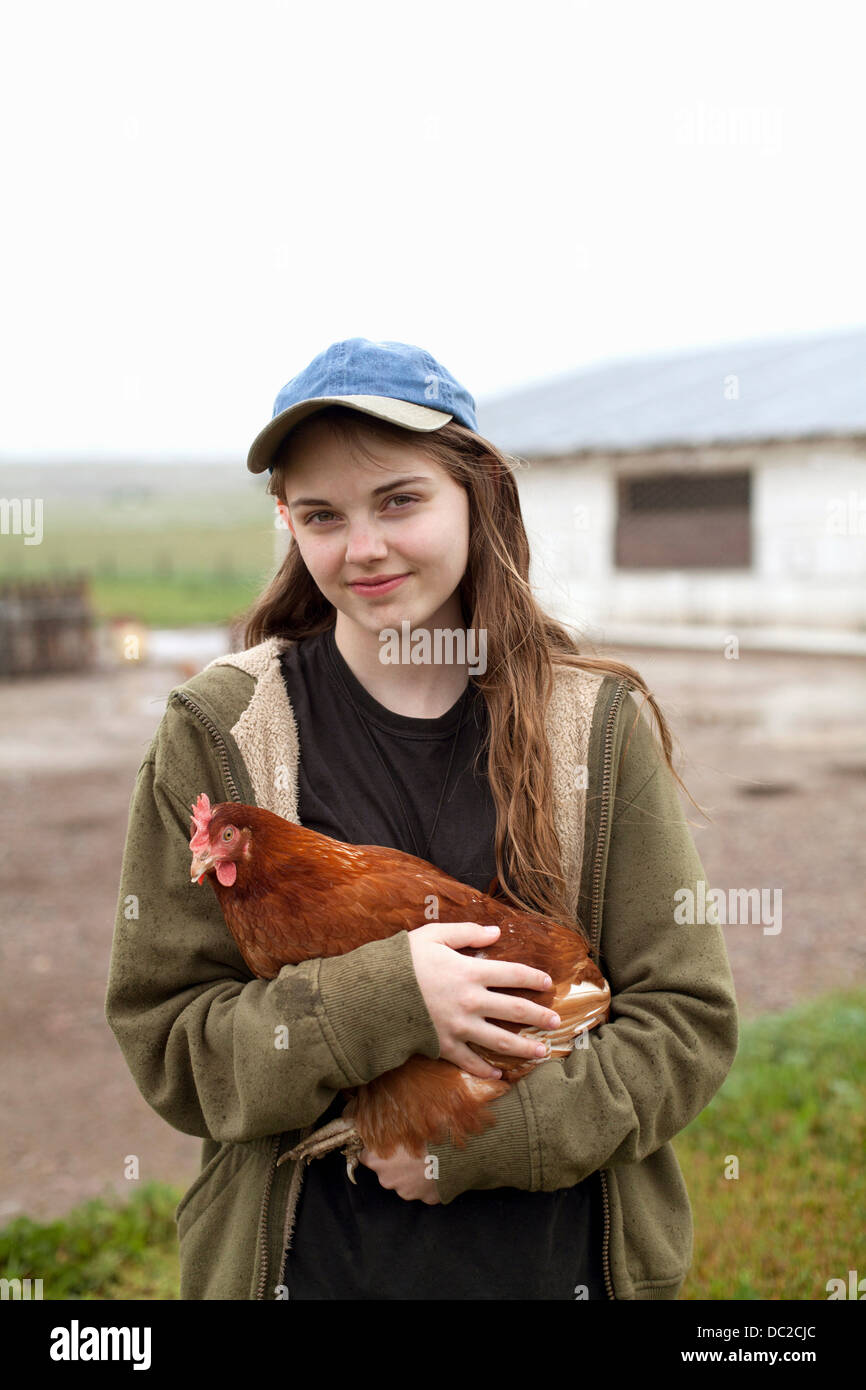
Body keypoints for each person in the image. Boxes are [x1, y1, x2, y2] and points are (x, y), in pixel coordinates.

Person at [105, 337, 739, 1301]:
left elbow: (685, 1021)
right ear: (288, 524)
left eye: (400, 500)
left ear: (478, 494)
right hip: (307, 1270)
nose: (363, 548)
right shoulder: (225, 732)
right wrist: (384, 998)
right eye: (320, 515)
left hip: (556, 1267)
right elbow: (172, 1046)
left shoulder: (594, 729)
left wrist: (483, 1144)